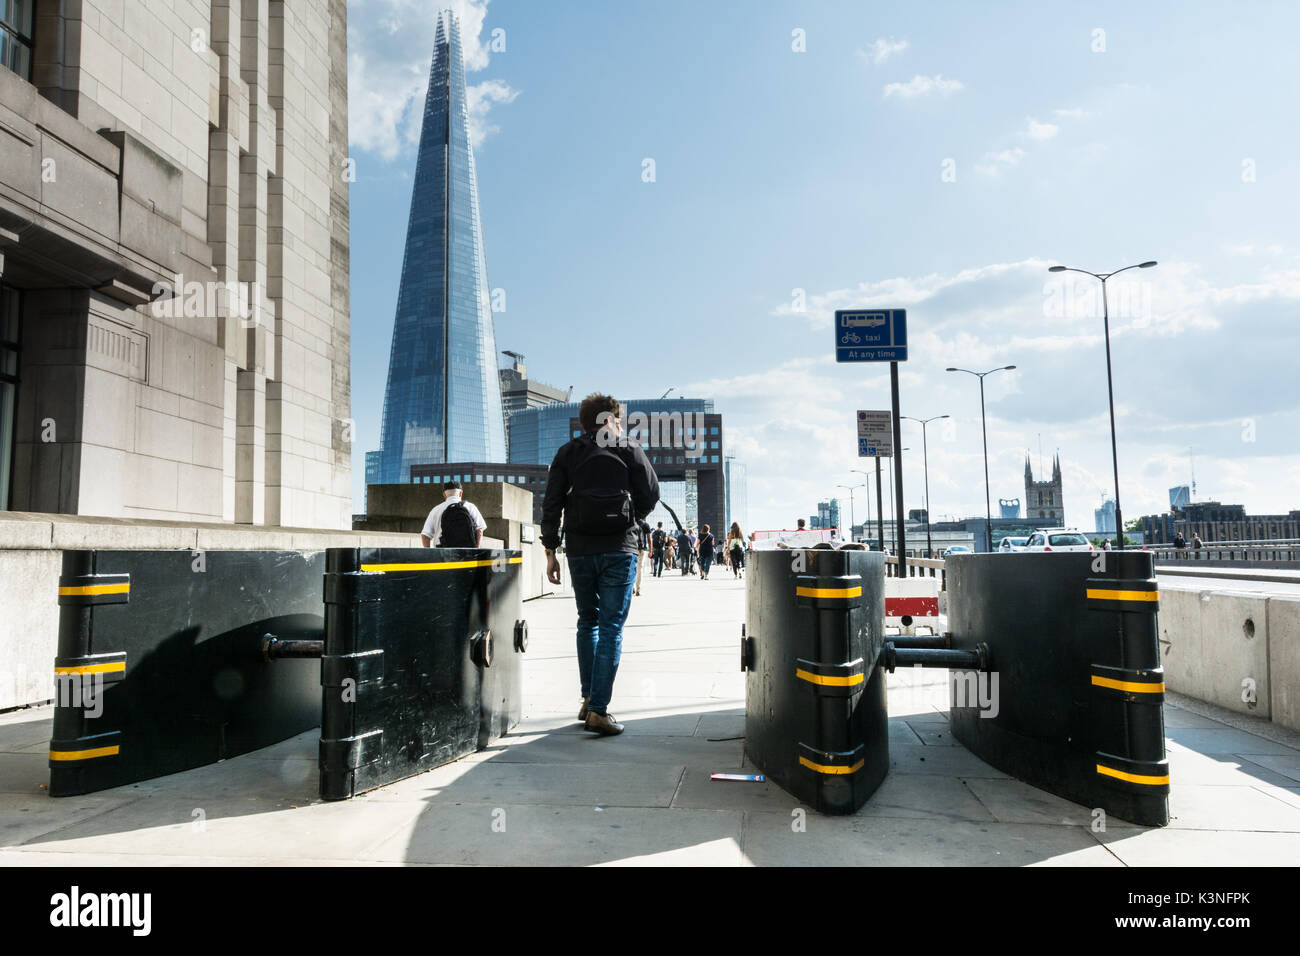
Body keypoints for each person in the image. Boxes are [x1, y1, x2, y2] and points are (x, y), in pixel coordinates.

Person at [542, 393, 659, 737]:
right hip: (619, 548)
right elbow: (651, 492)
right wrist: (632, 517)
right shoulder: (628, 448)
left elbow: (551, 504)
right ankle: (598, 710)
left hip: (579, 549)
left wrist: (550, 549)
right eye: (619, 421)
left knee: (587, 621)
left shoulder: (568, 452)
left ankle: (588, 697)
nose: (621, 427)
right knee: (611, 628)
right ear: (608, 420)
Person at [420, 481, 486, 548]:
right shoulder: (470, 507)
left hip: (442, 551)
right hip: (467, 550)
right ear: (461, 493)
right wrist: (476, 549)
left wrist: (430, 553)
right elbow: (479, 530)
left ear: (444, 495)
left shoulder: (436, 510)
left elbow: (425, 535)